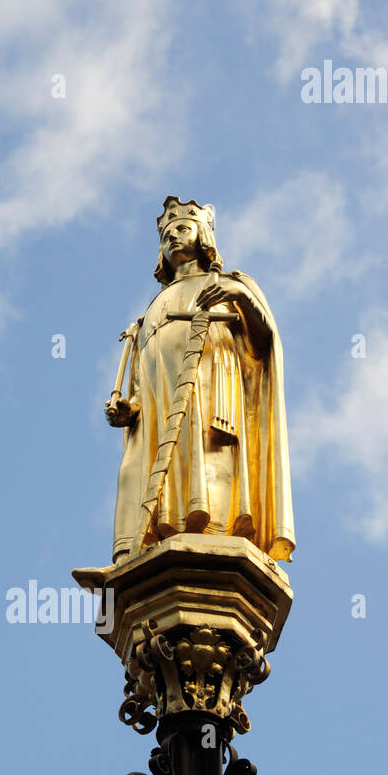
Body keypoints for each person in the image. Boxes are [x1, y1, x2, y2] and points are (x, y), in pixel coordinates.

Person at [106, 197, 295, 566]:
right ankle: (129, 555)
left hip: (210, 388)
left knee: (205, 459)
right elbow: (144, 375)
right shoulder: (150, 310)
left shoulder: (231, 283)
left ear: (203, 234)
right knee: (133, 472)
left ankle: (212, 536)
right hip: (158, 407)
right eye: (166, 235)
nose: (173, 238)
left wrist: (239, 296)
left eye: (182, 229)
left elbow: (265, 340)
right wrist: (130, 406)